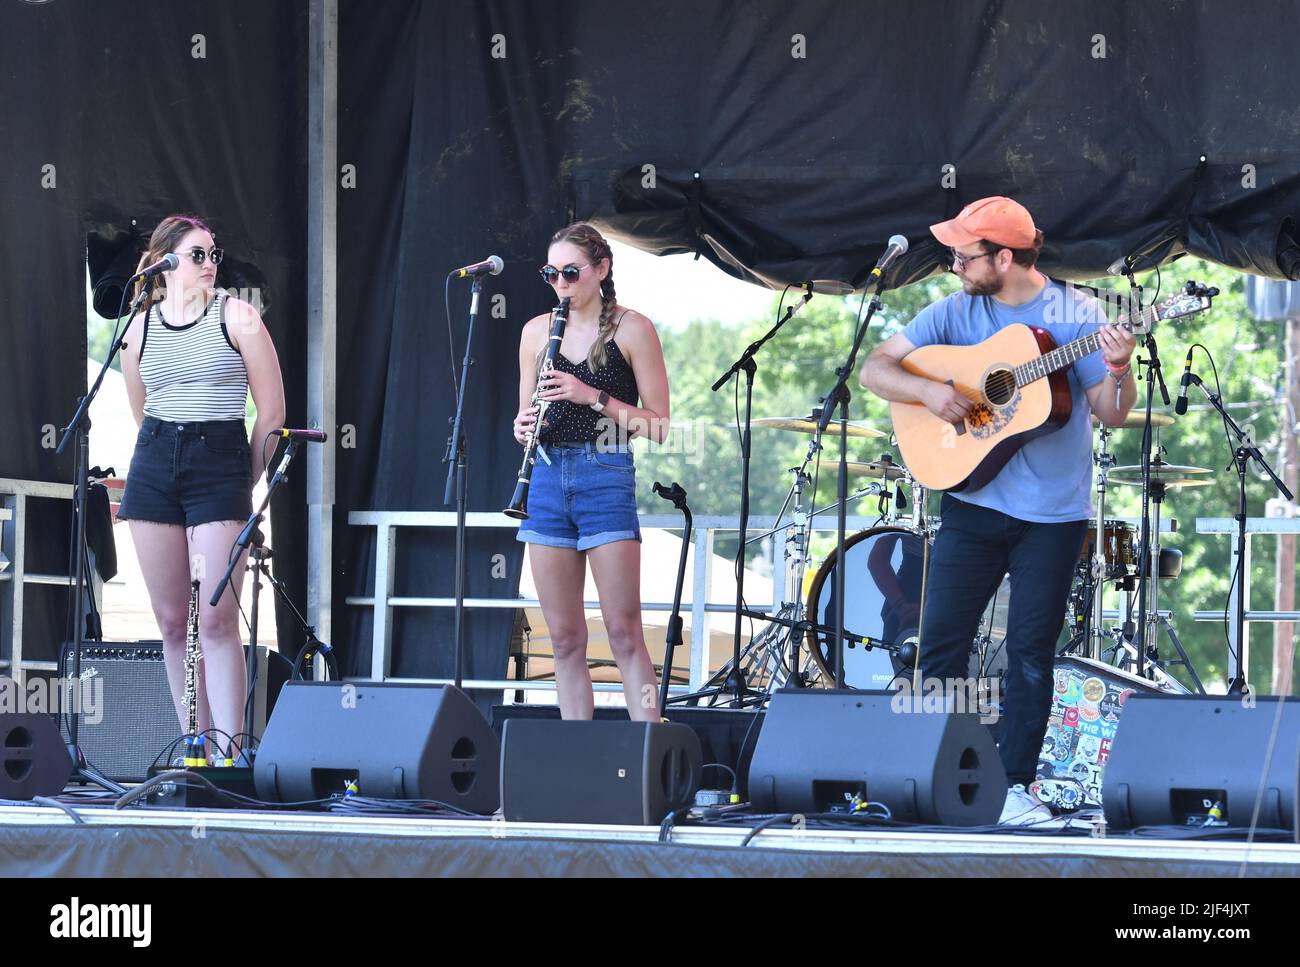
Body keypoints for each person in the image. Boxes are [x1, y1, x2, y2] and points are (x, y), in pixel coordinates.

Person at [858, 196, 1136, 825]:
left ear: (1004, 257)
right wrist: (930, 390)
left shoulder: (1077, 314)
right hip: (970, 501)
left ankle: (1013, 788)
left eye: (964, 253)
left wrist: (1119, 368)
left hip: (1052, 516)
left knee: (1030, 654)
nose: (953, 263)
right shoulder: (956, 310)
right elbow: (877, 369)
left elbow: (1112, 409)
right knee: (937, 647)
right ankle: (931, 776)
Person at [117, 215, 285, 763]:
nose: (210, 264)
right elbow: (142, 412)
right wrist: (165, 457)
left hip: (220, 460)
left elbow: (273, 412)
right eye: (197, 255)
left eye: (214, 254)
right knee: (170, 620)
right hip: (156, 462)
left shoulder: (237, 316)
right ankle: (194, 744)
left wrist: (247, 476)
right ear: (165, 264)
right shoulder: (137, 329)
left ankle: (230, 752)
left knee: (214, 617)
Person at [512, 223, 670, 721]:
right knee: (563, 637)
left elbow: (660, 425)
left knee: (624, 631)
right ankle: (576, 754)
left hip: (605, 470)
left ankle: (648, 748)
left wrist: (592, 396)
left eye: (571, 272)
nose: (560, 282)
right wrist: (520, 427)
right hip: (545, 474)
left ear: (601, 269)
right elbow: (524, 415)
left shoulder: (633, 328)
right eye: (551, 273)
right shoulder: (536, 331)